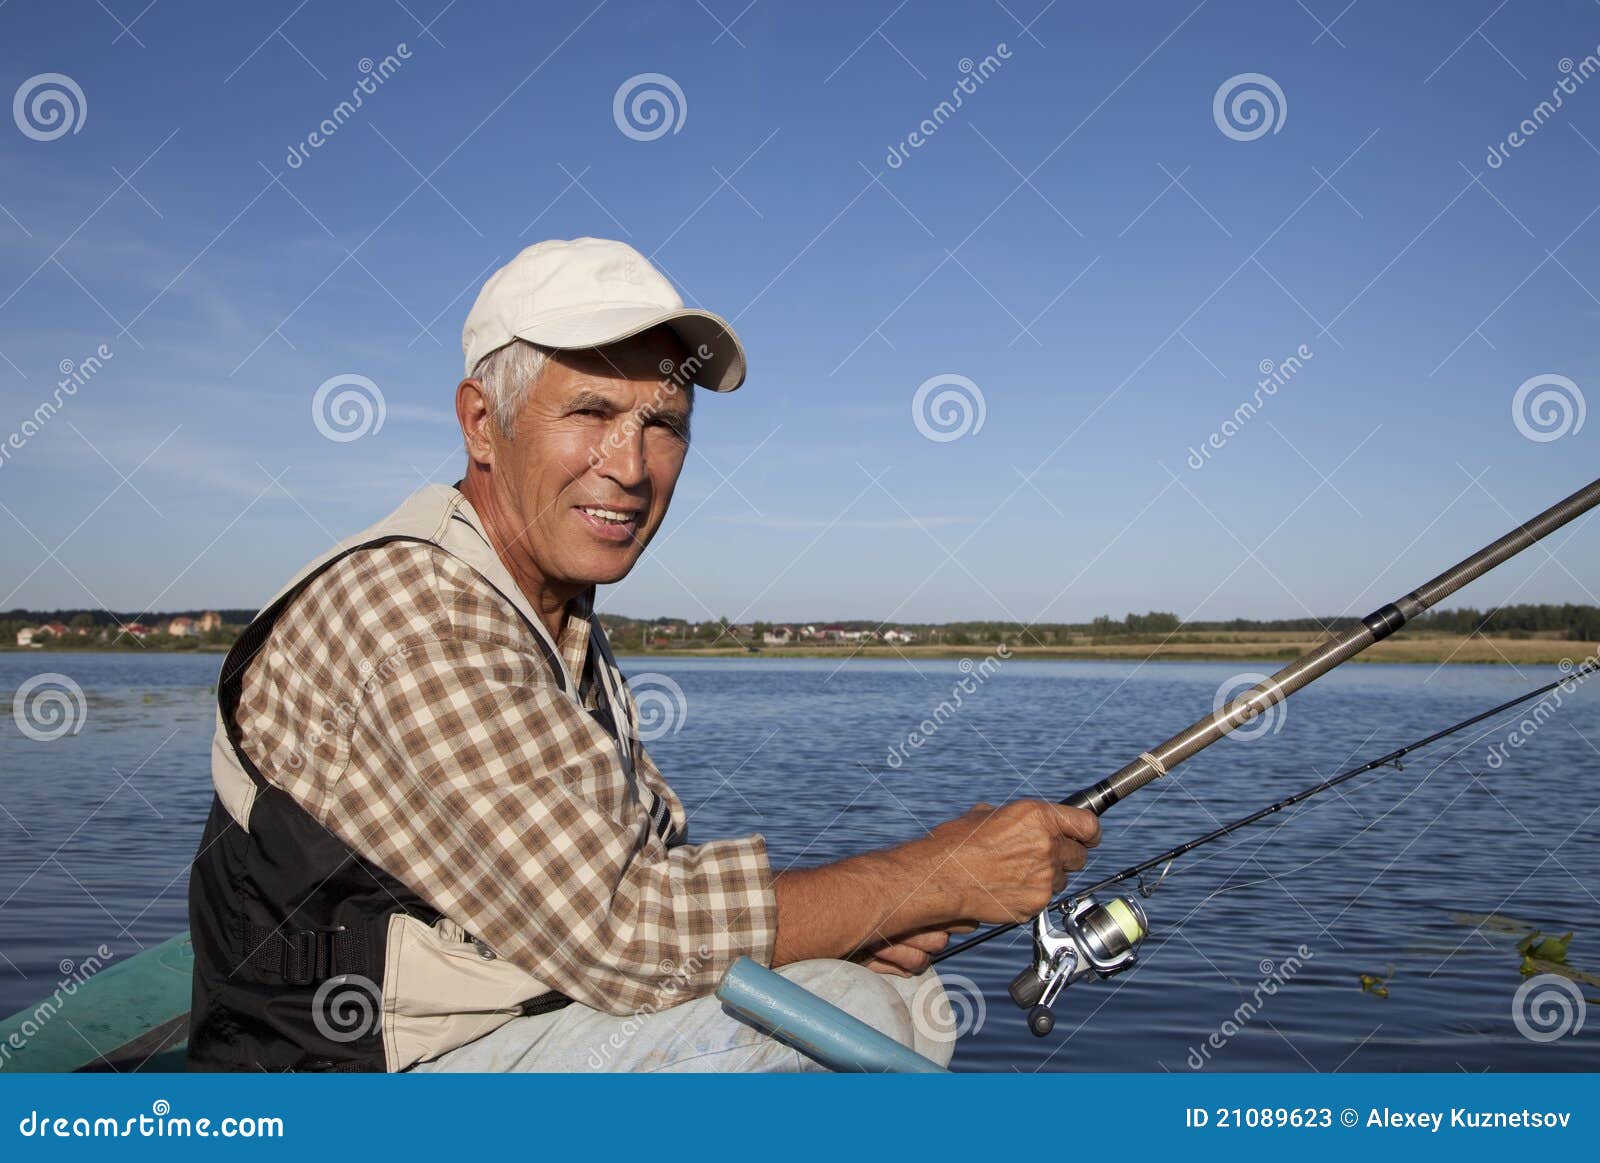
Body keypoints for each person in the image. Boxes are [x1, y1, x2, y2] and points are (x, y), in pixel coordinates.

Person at [185, 237, 1100, 1072]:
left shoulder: (558, 619)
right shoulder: (416, 609)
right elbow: (625, 927)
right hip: (347, 1077)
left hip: (506, 1021)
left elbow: (647, 869)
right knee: (840, 1019)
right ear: (479, 423)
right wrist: (933, 876)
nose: (630, 463)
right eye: (590, 410)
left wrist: (877, 911)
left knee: (893, 997)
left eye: (663, 422)